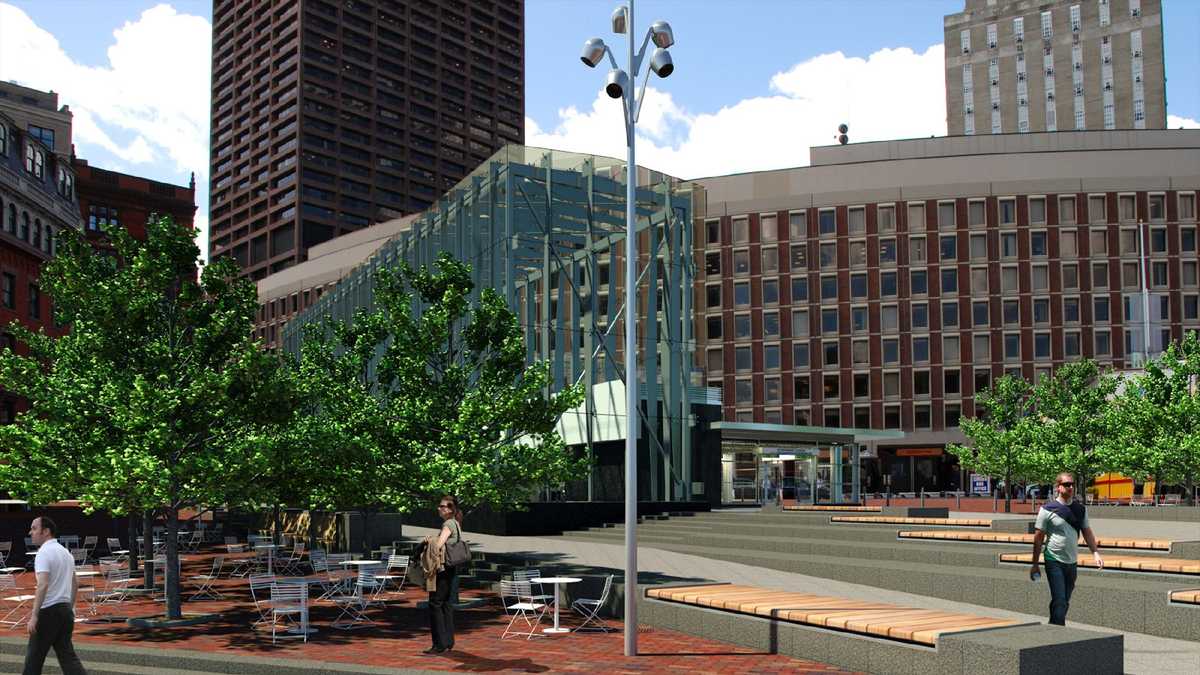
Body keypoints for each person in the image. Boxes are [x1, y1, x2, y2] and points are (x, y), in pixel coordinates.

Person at [1029, 473, 1104, 626]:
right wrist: (1035, 564)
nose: (1071, 487)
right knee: (1060, 599)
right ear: (1058, 487)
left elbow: (1087, 531)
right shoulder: (1047, 509)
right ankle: (1058, 633)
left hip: (1071, 562)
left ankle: (1052, 627)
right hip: (1053, 560)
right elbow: (1038, 539)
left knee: (1064, 600)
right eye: (1067, 484)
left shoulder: (1080, 509)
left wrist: (1095, 553)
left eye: (1072, 484)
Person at [23, 516, 87, 675]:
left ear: (46, 531)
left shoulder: (43, 553)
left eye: (34, 528)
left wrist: (34, 616)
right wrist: (70, 607)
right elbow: (75, 583)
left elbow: (43, 584)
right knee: (67, 656)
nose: (31, 532)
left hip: (48, 611)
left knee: (34, 659)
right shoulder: (66, 553)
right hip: (65, 610)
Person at [426, 495, 463, 655]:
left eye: (442, 506)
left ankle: (439, 644)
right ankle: (448, 641)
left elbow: (438, 546)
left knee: (435, 603)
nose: (439, 508)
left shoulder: (448, 523)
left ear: (450, 509)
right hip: (452, 568)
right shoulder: (456, 523)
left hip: (443, 569)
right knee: (447, 604)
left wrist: (429, 541)